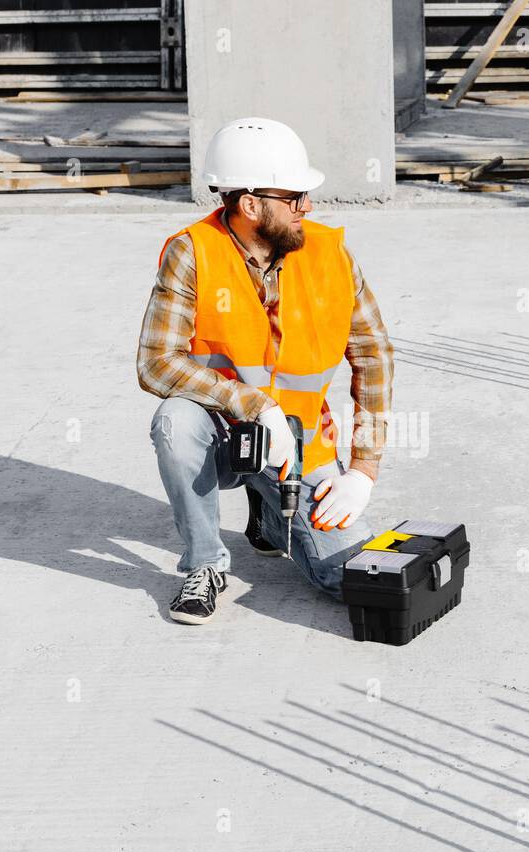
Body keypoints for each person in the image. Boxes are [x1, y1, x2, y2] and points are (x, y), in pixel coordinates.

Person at [137, 117, 395, 624]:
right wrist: (254, 405)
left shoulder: (329, 254)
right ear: (251, 204)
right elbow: (156, 362)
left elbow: (374, 355)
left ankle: (271, 519)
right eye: (294, 198)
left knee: (345, 577)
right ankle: (206, 565)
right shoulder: (193, 252)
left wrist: (363, 469)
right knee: (174, 422)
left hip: (300, 443)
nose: (308, 208)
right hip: (220, 431)